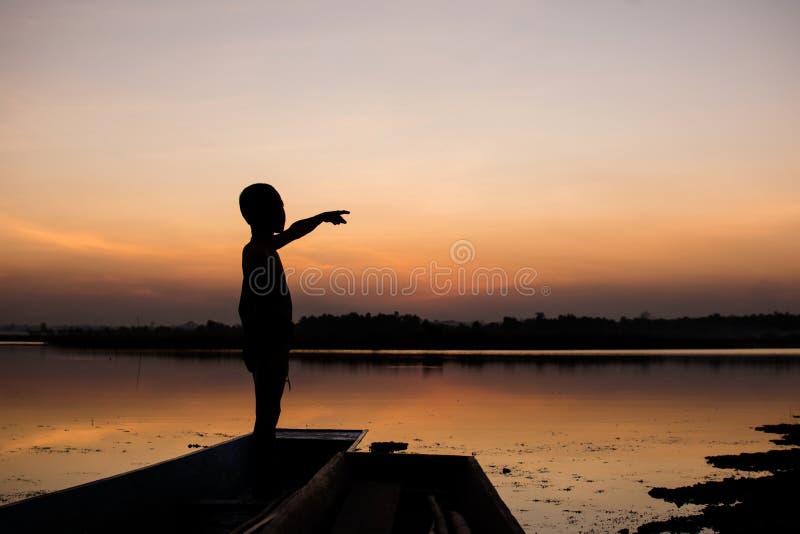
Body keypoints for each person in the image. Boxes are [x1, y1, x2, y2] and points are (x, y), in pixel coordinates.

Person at [237, 183, 348, 473]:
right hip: (267, 344)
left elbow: (294, 231)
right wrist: (252, 343)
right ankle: (261, 477)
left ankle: (263, 471)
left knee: (270, 411)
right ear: (262, 213)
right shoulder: (257, 252)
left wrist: (322, 217)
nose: (284, 211)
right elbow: (247, 303)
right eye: (279, 206)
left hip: (274, 343)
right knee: (267, 413)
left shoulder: (266, 246)